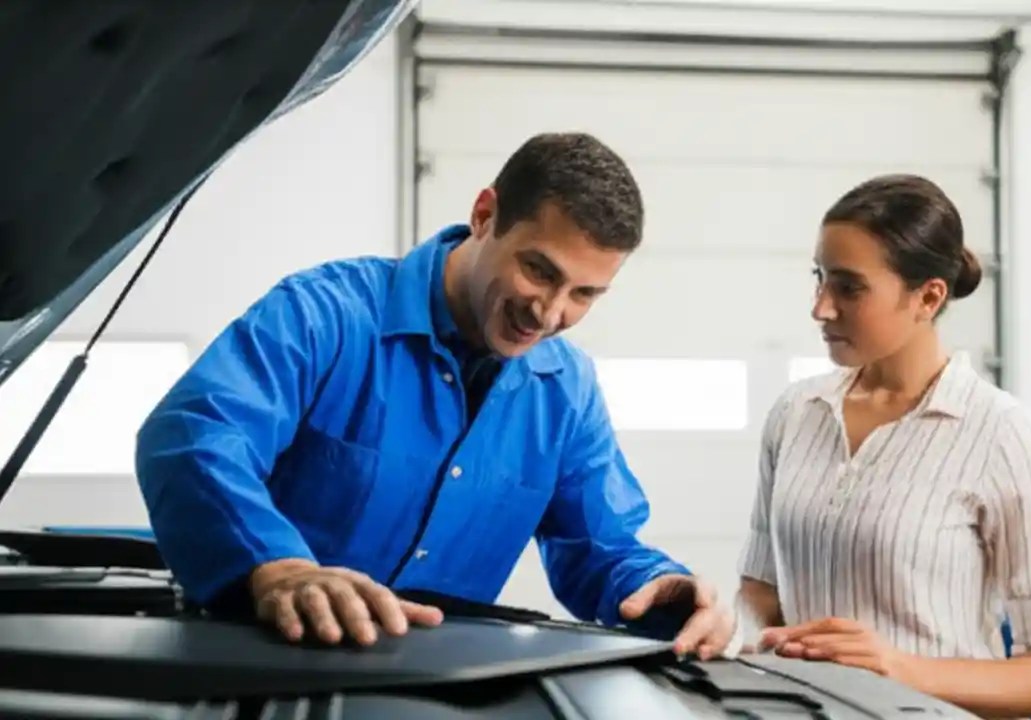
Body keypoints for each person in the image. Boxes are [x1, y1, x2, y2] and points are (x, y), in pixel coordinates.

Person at [135, 131, 735, 658]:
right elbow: (194, 437)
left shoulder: (567, 391)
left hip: (425, 695)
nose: (550, 313)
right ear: (484, 215)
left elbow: (599, 545)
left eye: (584, 294)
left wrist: (660, 589)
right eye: (540, 271)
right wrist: (279, 568)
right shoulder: (325, 315)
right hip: (258, 668)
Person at [735, 175, 1031, 718]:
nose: (821, 308)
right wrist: (768, 643)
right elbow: (760, 589)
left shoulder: (1001, 433)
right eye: (820, 279)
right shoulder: (795, 414)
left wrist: (898, 668)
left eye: (849, 287)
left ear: (928, 297)